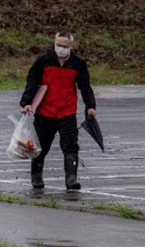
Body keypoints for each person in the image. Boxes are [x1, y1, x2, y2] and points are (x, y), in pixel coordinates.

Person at [19, 31, 97, 191]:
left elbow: (85, 87)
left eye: (64, 46)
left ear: (70, 47)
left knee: (70, 146)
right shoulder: (43, 60)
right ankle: (36, 176)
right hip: (45, 112)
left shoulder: (78, 63)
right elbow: (32, 81)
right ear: (54, 44)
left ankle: (71, 179)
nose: (61, 48)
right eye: (58, 45)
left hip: (67, 112)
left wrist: (90, 106)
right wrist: (26, 102)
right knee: (40, 147)